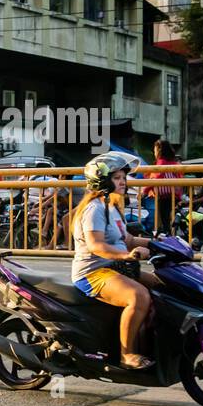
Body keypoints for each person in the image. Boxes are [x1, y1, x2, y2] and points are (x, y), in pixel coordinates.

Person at [71, 152, 162, 370]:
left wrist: (161, 243)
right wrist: (126, 255)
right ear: (102, 181)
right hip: (93, 273)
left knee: (163, 285)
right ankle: (127, 354)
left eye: (124, 177)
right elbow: (96, 245)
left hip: (116, 267)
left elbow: (128, 239)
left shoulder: (112, 207)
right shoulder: (94, 209)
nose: (123, 182)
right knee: (138, 296)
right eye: (117, 178)